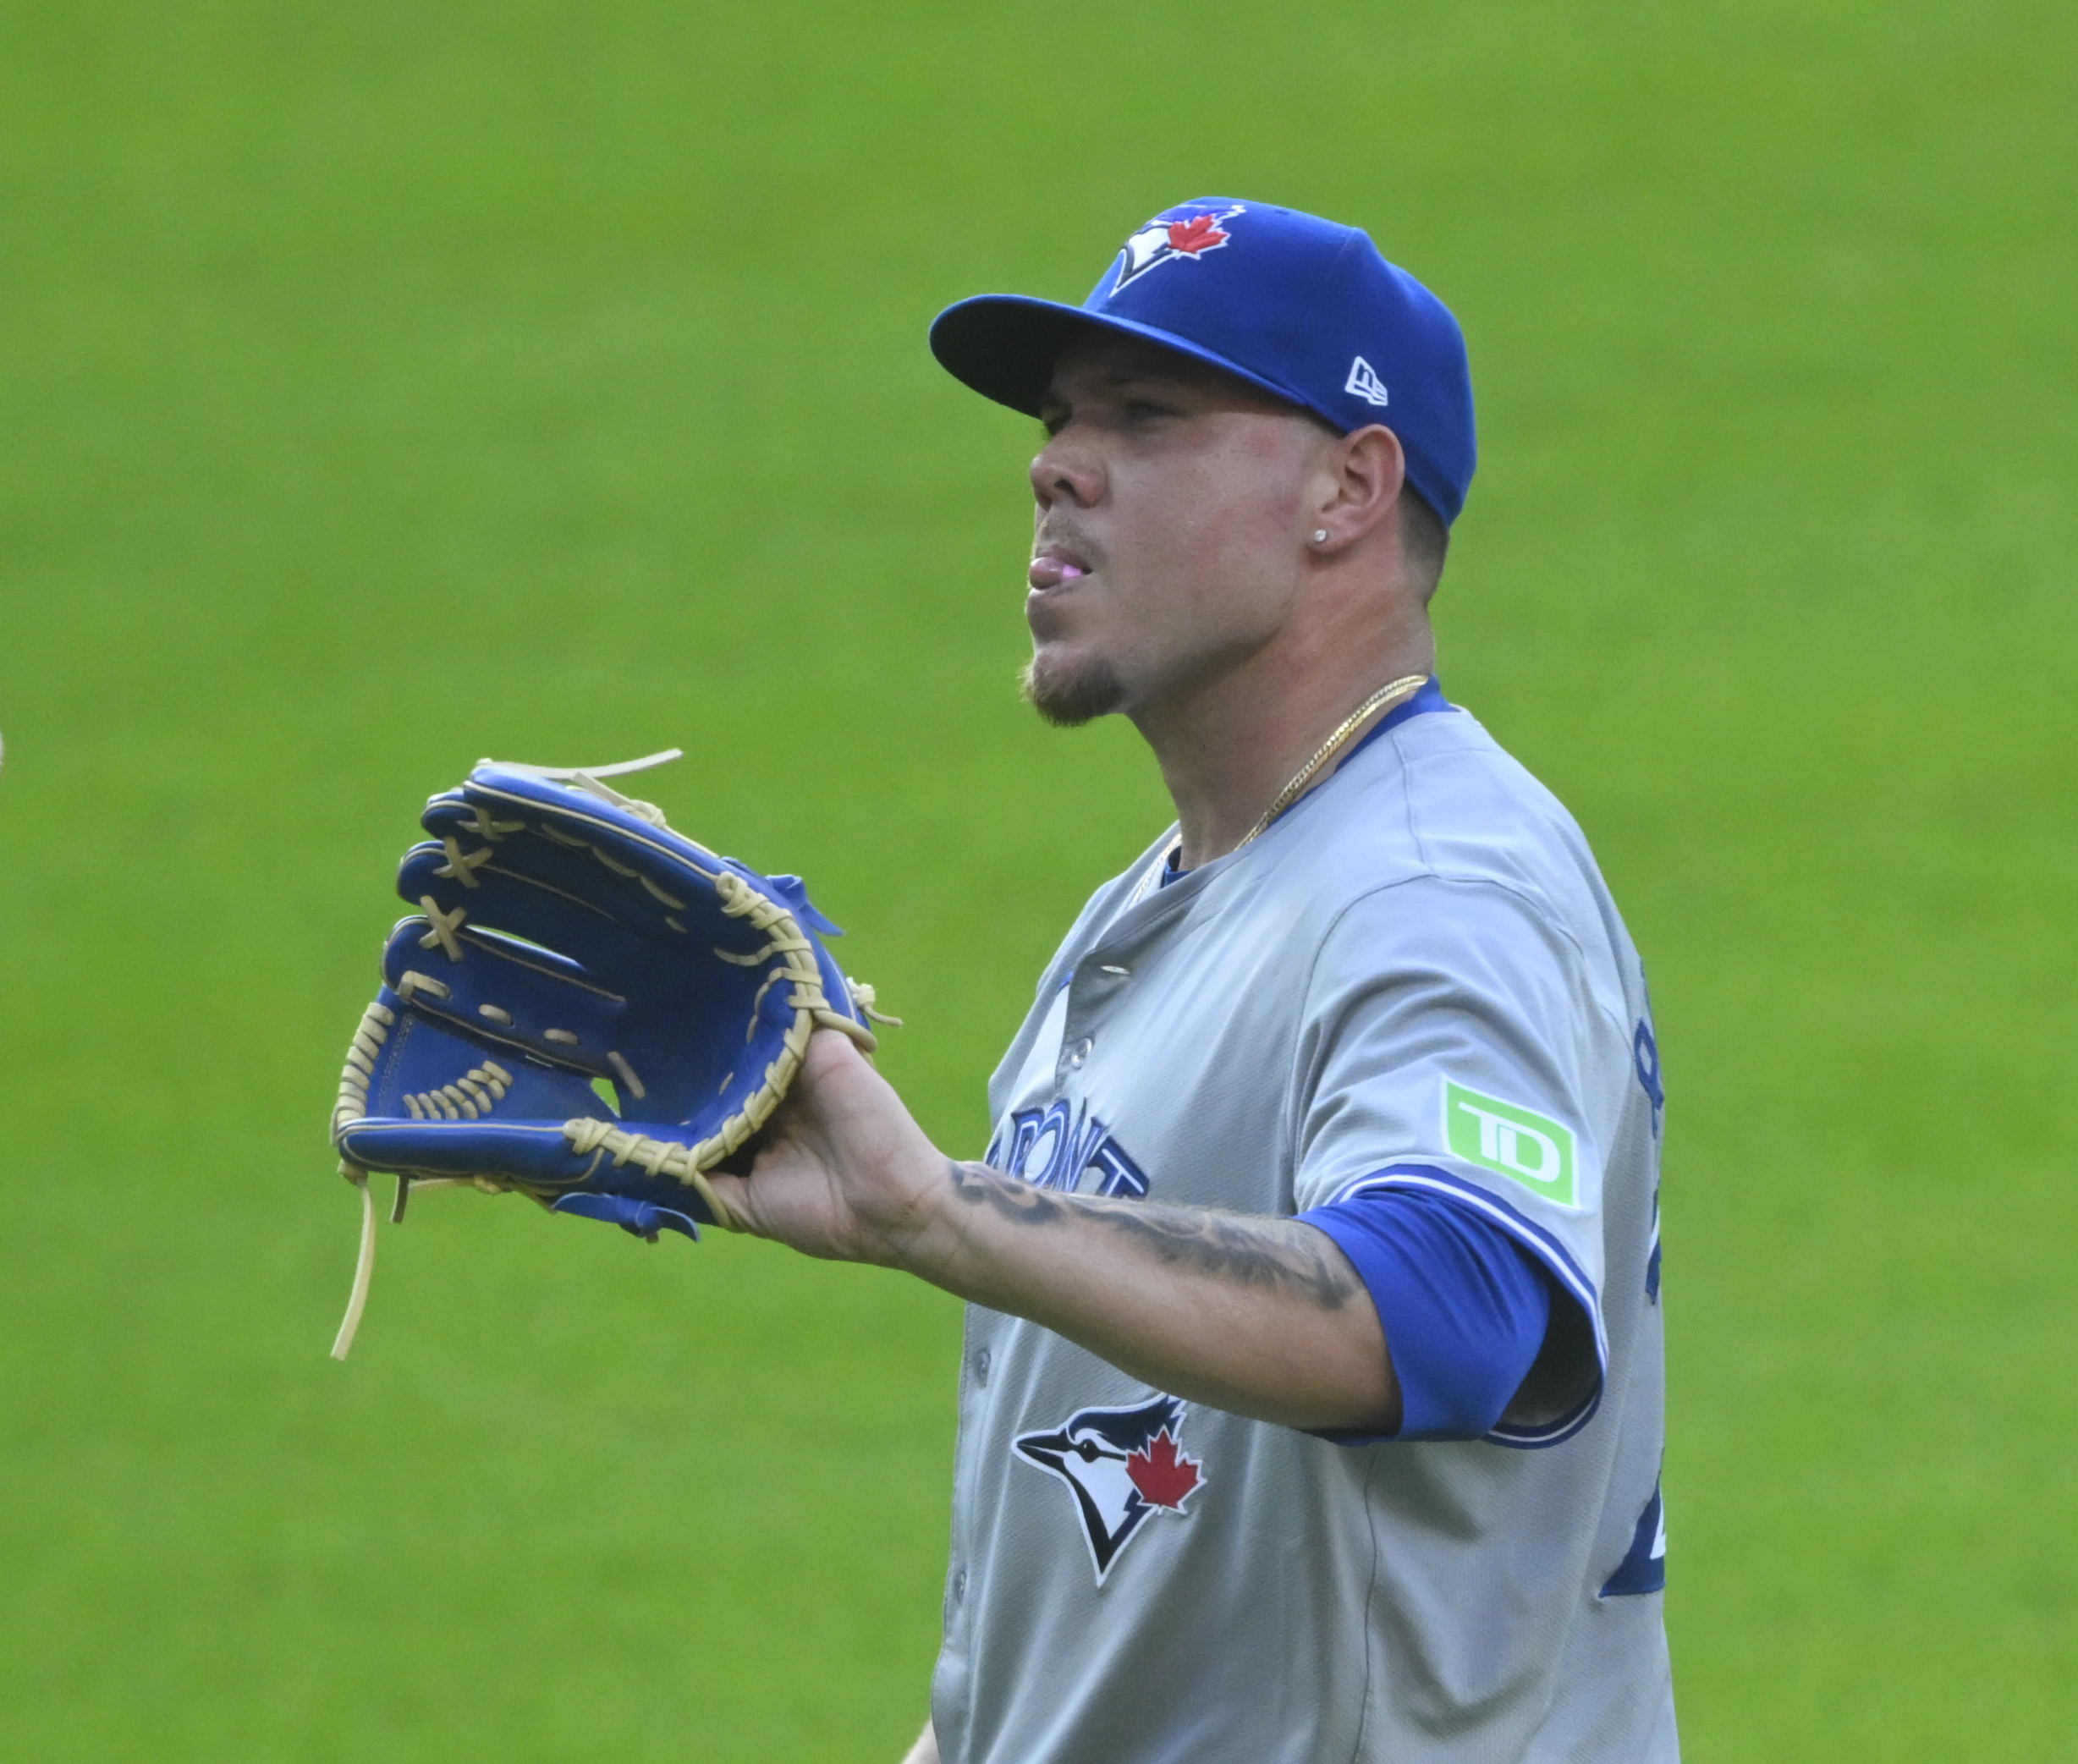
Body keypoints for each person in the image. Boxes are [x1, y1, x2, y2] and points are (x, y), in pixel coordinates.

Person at [705, 201, 1675, 1762]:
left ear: (1348, 489)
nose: (1056, 463)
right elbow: (1109, 1574)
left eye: (1147, 416)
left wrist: (940, 1214)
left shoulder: (1439, 885)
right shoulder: (1153, 911)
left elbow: (1448, 1305)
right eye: (1060, 418)